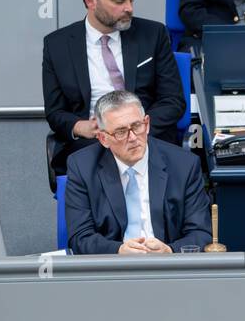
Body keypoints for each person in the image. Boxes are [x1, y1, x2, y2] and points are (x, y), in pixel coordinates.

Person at [42, 0, 185, 181]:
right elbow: (55, 112)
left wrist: (134, 131)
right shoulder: (58, 45)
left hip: (147, 137)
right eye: (119, 1)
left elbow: (173, 101)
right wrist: (80, 126)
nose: (129, 8)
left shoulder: (152, 34)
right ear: (91, 0)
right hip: (92, 141)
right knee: (96, 174)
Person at [64, 91, 209, 255]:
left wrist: (170, 251)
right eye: (120, 132)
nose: (132, 137)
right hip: (113, 271)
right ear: (103, 138)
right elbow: (80, 237)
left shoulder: (184, 164)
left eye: (136, 126)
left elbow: (201, 233)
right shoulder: (82, 166)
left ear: (146, 124)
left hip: (168, 268)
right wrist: (118, 251)